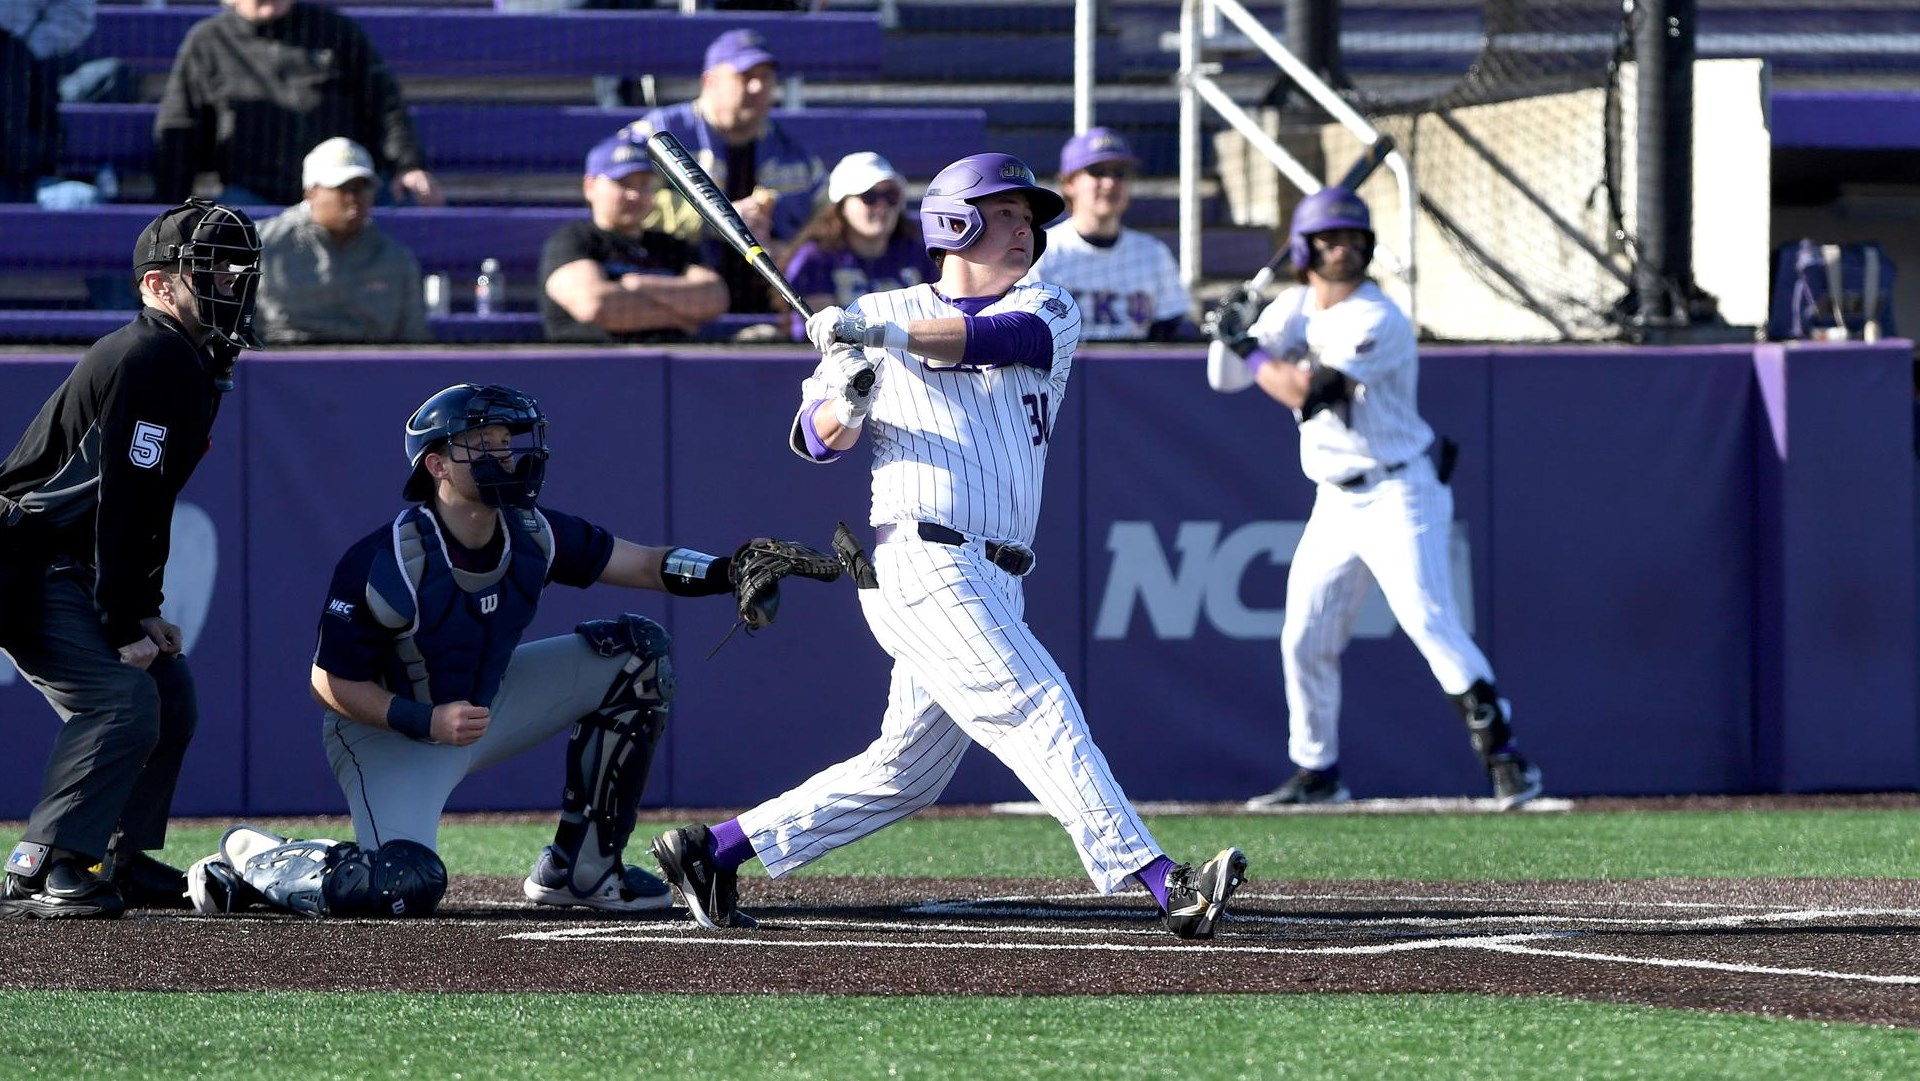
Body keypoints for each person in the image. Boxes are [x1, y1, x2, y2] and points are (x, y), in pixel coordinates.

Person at [647, 153, 1249, 941]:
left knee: (906, 773)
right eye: (1005, 213)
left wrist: (881, 334)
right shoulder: (877, 311)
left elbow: (991, 339)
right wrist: (851, 397)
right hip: (921, 559)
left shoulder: (1046, 304)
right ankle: (1164, 881)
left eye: (1029, 217)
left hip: (996, 570)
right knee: (1038, 702)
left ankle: (714, 850)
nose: (1025, 228)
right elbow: (813, 440)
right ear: (954, 221)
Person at [180, 383, 834, 918]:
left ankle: (582, 870)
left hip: (484, 705)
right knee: (405, 884)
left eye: (507, 443)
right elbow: (328, 681)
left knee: (639, 651)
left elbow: (640, 563)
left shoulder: (532, 530)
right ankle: (254, 856)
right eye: (483, 446)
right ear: (436, 464)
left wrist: (727, 569)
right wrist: (425, 721)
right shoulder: (388, 560)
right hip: (387, 731)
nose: (507, 457)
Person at [1203, 185, 1544, 810]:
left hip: (1399, 489)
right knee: (1303, 636)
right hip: (1334, 499)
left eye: (1354, 237)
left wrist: (1247, 343)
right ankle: (1317, 772)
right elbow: (1223, 379)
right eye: (1331, 238)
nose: (1344, 248)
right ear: (1306, 247)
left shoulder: (1376, 317)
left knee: (1427, 617)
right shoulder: (1294, 307)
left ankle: (1506, 757)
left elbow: (1308, 393)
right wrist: (1232, 329)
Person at [0, 199, 262, 919]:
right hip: (24, 556)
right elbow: (128, 500)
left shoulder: (189, 356)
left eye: (234, 270)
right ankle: (47, 861)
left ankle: (118, 853)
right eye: (205, 268)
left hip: (60, 559)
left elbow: (138, 501)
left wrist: (141, 609)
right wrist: (125, 620)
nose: (226, 282)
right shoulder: (152, 354)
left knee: (168, 695)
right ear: (155, 285)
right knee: (120, 701)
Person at [153, 0, 443, 209]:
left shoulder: (335, 31)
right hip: (254, 195)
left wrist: (408, 166)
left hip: (342, 191)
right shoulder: (207, 43)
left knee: (416, 205)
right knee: (220, 237)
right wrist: (174, 211)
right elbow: (180, 129)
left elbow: (385, 105)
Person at [624, 28, 823, 315]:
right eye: (744, 76)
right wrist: (715, 219)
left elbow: (829, 217)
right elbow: (613, 201)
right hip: (678, 297)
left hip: (771, 307)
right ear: (710, 81)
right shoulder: (658, 133)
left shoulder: (792, 151)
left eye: (765, 77)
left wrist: (791, 249)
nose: (757, 87)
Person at [539, 132, 729, 344]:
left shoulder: (671, 244)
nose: (635, 195)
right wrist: (678, 317)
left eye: (644, 184)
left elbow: (714, 297)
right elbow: (595, 305)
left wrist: (639, 285)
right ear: (590, 186)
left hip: (674, 366)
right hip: (597, 366)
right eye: (623, 183)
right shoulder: (573, 240)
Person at [254, 137, 432, 345]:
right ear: (311, 191)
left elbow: (414, 339)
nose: (354, 197)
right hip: (278, 366)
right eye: (343, 187)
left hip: (371, 369)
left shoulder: (395, 258)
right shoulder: (262, 245)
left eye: (363, 187)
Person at [1028, 127, 1194, 342]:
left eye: (1120, 173)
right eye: (1097, 172)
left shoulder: (1153, 253)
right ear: (1069, 183)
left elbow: (1172, 331)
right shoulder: (1043, 249)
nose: (1110, 182)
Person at [780, 151, 934, 341]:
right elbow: (823, 333)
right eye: (869, 197)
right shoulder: (815, 259)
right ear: (841, 205)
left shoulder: (918, 252)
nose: (882, 206)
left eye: (891, 196)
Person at [1, 0, 93, 201]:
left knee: (79, 199)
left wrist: (24, 54)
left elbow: (47, 140)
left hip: (17, 179)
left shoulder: (16, 55)